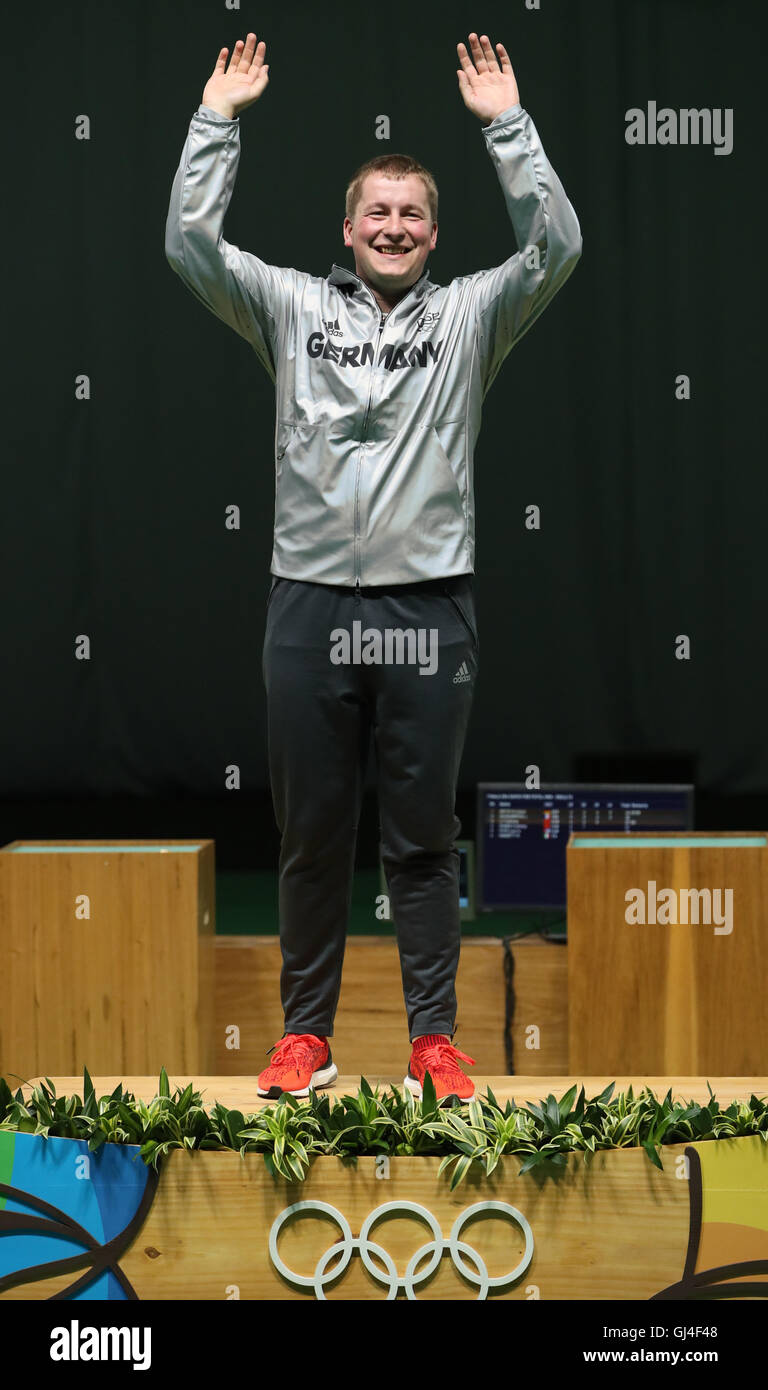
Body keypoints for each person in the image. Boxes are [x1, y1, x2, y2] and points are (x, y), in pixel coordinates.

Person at [165, 31, 582, 1104]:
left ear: (434, 235)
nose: (393, 227)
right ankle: (307, 1036)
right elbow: (192, 249)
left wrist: (509, 131)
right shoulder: (294, 308)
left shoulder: (471, 316)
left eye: (411, 216)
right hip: (308, 607)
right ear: (346, 230)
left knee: (422, 842)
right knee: (310, 837)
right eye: (376, 214)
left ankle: (434, 1041)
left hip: (428, 610)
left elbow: (557, 249)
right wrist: (217, 124)